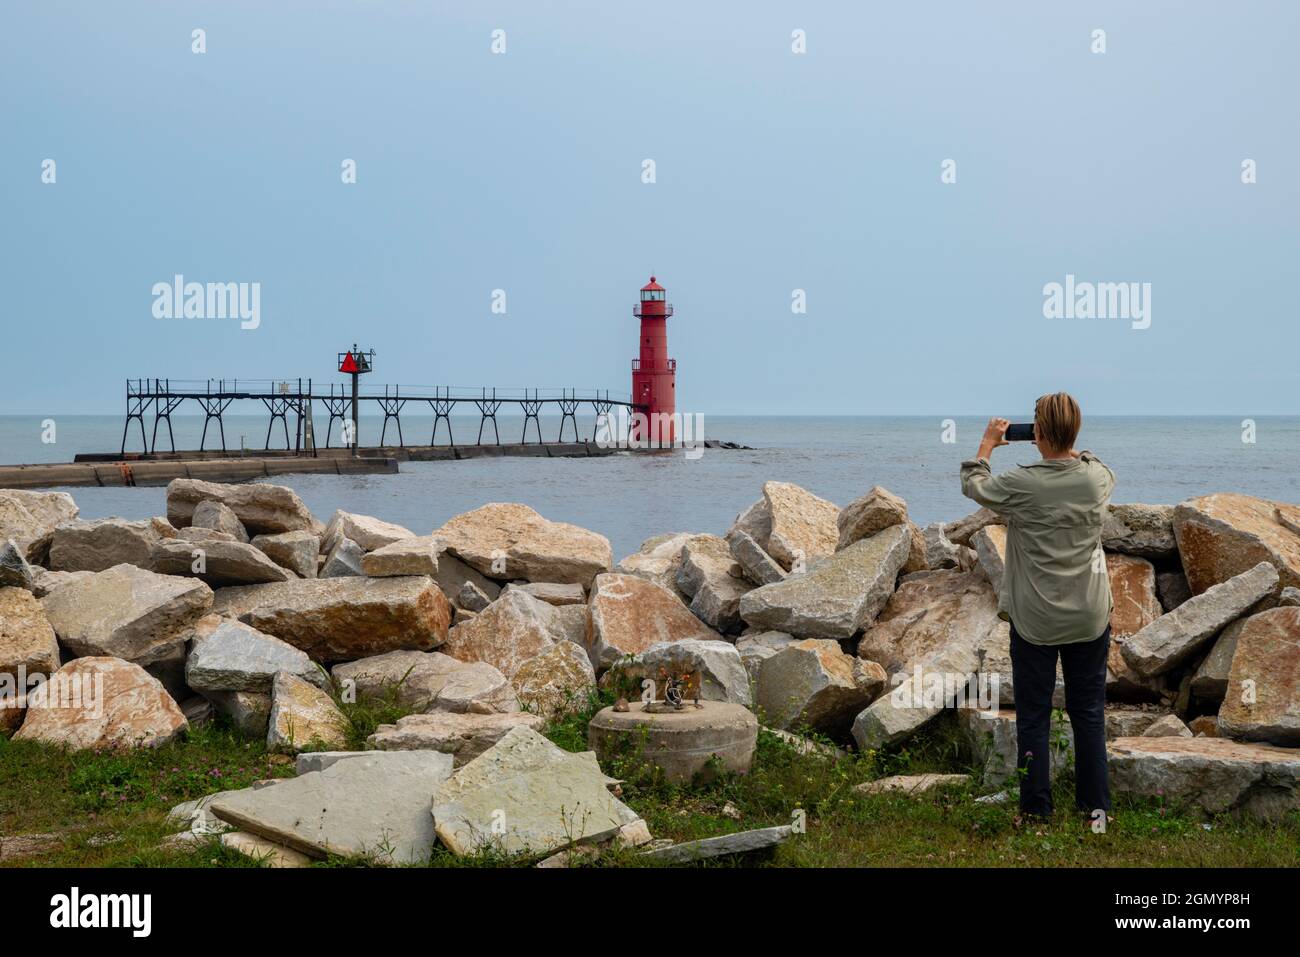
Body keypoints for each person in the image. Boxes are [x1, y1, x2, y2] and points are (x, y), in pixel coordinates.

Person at [959, 392, 1115, 822]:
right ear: (1076, 431)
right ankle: (1096, 812)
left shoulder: (1022, 483)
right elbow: (1096, 465)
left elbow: (975, 486)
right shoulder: (1095, 479)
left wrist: (988, 444)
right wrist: (1070, 449)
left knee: (1033, 715)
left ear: (1037, 433)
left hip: (1036, 619)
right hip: (1088, 613)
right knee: (1088, 715)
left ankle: (1035, 812)